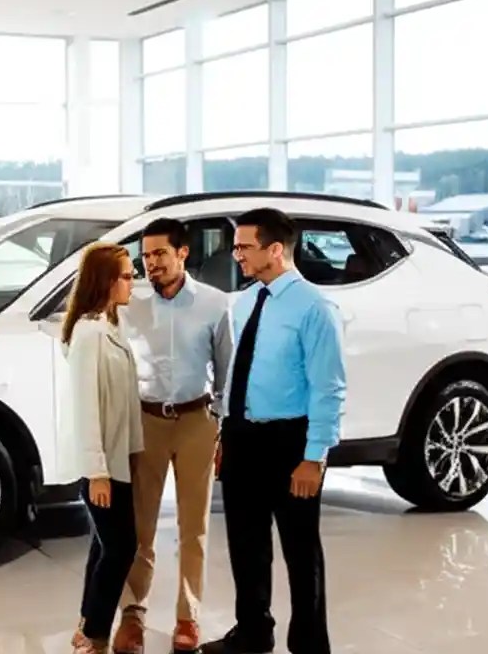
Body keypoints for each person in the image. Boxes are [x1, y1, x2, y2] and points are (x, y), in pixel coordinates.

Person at [201, 208, 344, 654]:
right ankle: (252, 632)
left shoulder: (315, 308)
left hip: (291, 443)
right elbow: (235, 376)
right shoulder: (245, 303)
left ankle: (309, 645)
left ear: (276, 250)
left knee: (301, 553)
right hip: (243, 439)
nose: (236, 254)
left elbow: (328, 388)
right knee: (246, 547)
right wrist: (226, 434)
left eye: (245, 246)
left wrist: (313, 456)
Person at [111, 218, 232, 654]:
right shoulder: (132, 307)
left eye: (160, 253)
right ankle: (133, 614)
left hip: (198, 420)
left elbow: (227, 371)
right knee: (140, 526)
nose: (151, 263)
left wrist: (222, 425)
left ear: (183, 253)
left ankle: (188, 616)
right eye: (145, 256)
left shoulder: (216, 305)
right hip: (147, 422)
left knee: (193, 527)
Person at [58, 242, 145, 654]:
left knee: (106, 544)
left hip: (118, 461)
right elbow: (86, 405)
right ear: (107, 281)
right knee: (121, 547)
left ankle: (87, 627)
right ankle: (94, 633)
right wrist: (97, 471)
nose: (133, 283)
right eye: (127, 276)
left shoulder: (110, 326)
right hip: (103, 466)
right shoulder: (89, 333)